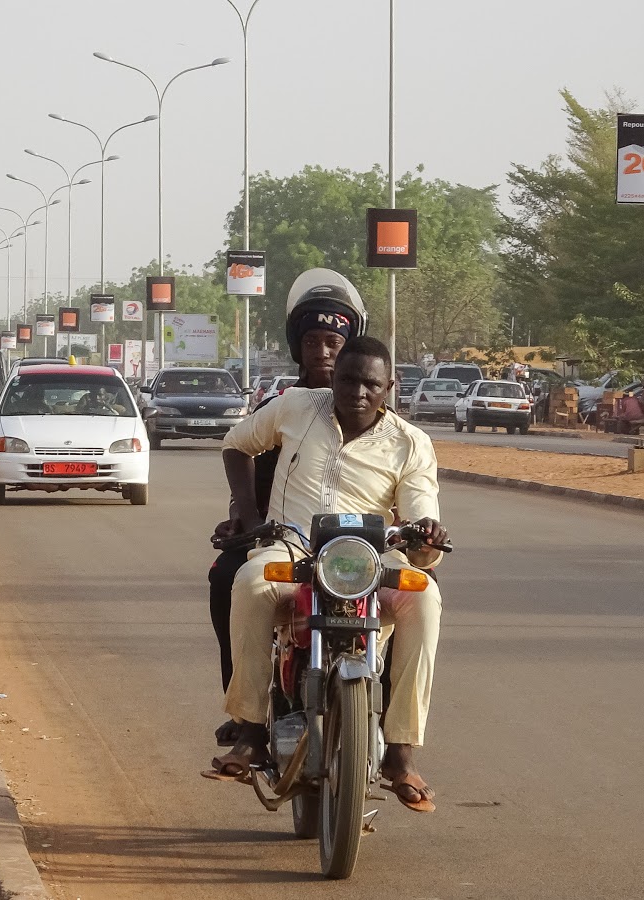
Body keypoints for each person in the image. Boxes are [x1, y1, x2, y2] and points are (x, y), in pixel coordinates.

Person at [207, 336, 447, 813]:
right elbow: (236, 445)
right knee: (249, 584)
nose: (357, 391)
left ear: (389, 388)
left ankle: (401, 753)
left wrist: (425, 538)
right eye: (347, 379)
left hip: (367, 559)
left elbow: (420, 513)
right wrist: (251, 517)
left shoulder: (411, 443)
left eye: (370, 384)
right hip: (290, 547)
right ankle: (252, 731)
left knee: (425, 597)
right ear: (332, 377)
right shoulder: (295, 405)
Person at [208, 270, 367, 746]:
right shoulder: (285, 405)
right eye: (313, 341)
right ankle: (246, 712)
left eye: (334, 341)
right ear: (298, 347)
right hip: (279, 537)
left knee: (416, 593)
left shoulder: (374, 410)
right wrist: (246, 515)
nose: (323, 352)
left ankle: (381, 718)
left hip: (353, 548)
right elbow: (240, 451)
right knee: (226, 581)